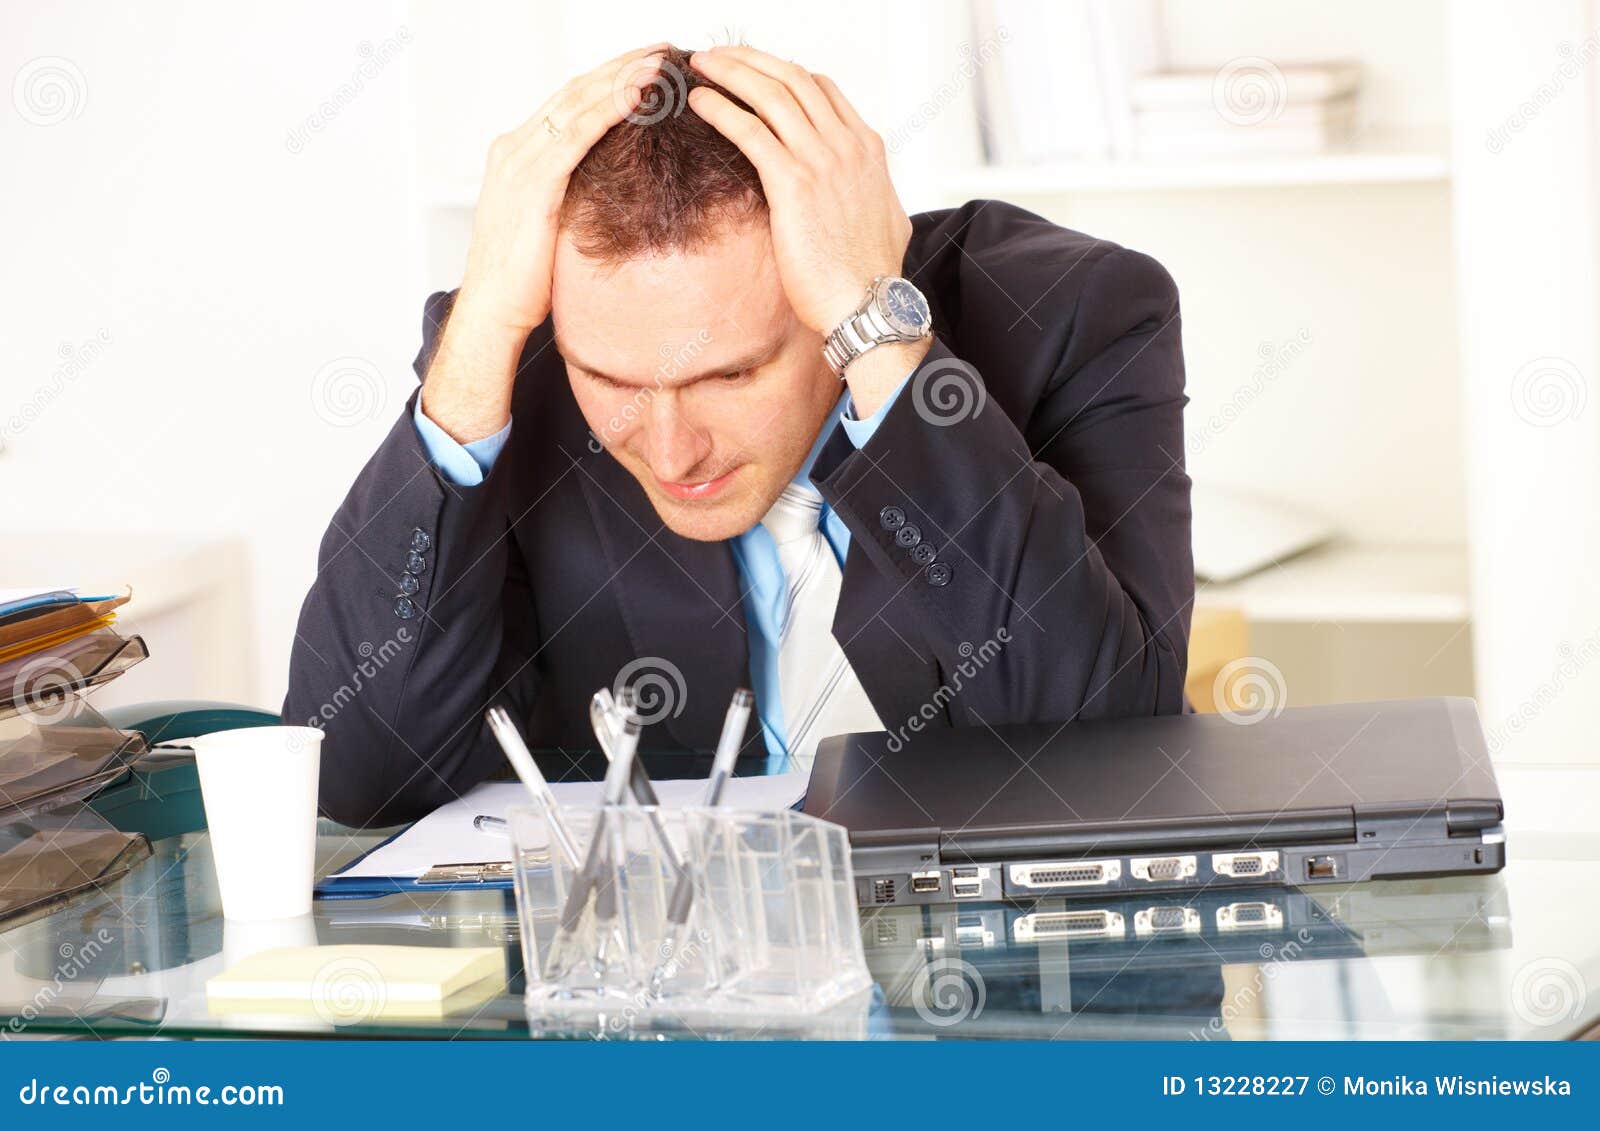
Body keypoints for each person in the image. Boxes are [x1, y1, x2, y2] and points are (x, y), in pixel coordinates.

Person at [285, 43, 1193, 827]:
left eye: (730, 374)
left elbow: (1101, 760)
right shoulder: (520, 353)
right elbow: (365, 772)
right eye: (613, 381)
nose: (674, 451)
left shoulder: (1077, 316)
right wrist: (482, 324)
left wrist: (872, 325)